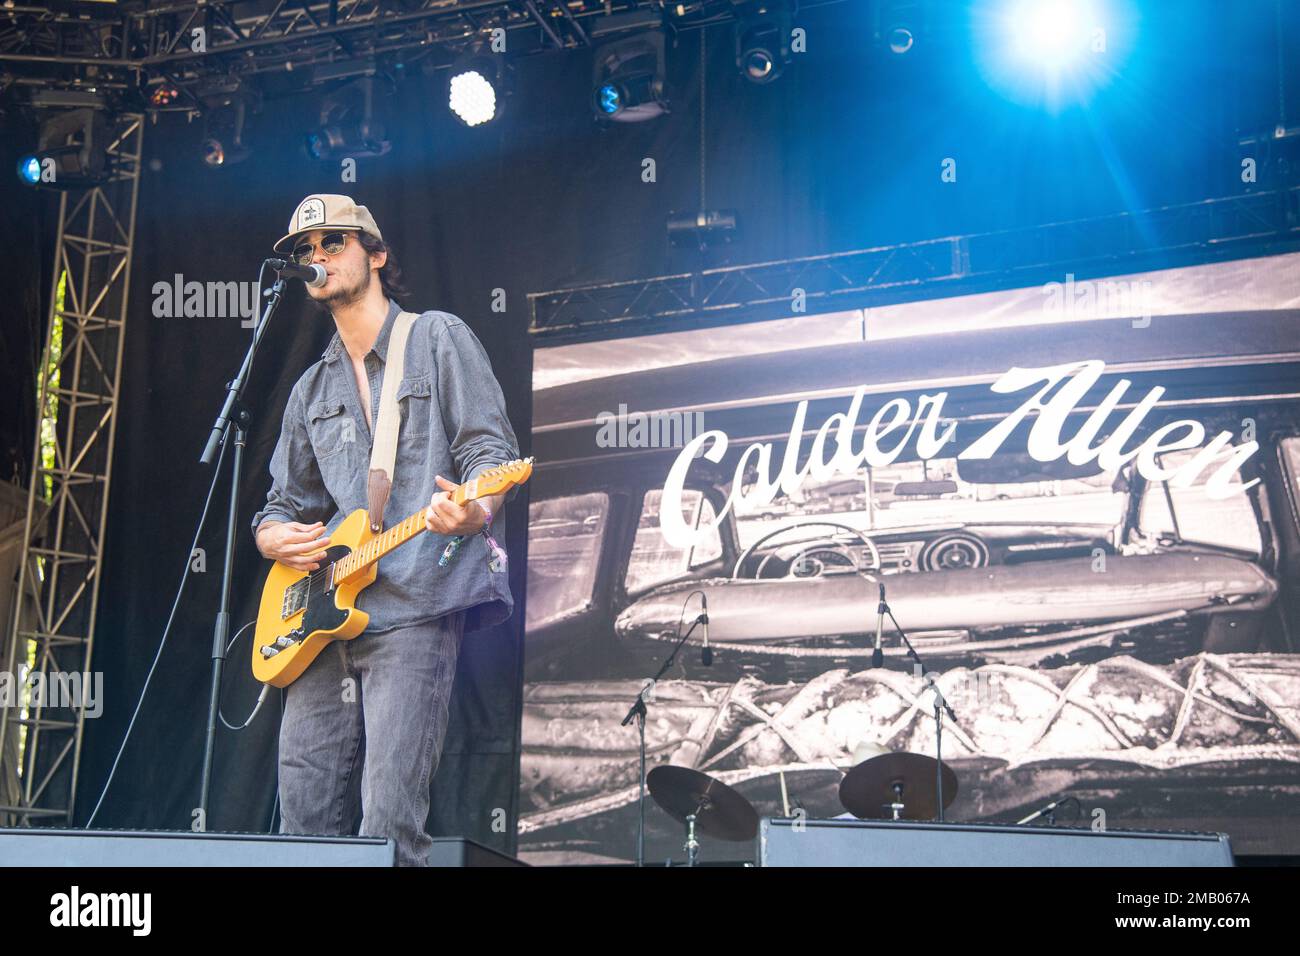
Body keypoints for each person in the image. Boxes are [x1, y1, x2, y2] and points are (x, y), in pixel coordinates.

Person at [251, 194, 520, 866]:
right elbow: (284, 502)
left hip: (413, 608)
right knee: (302, 825)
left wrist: (475, 509)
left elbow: (491, 454)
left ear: (376, 252)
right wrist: (271, 536)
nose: (316, 257)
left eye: (333, 241)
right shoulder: (311, 389)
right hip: (320, 620)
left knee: (389, 827)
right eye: (303, 249)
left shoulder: (437, 338)